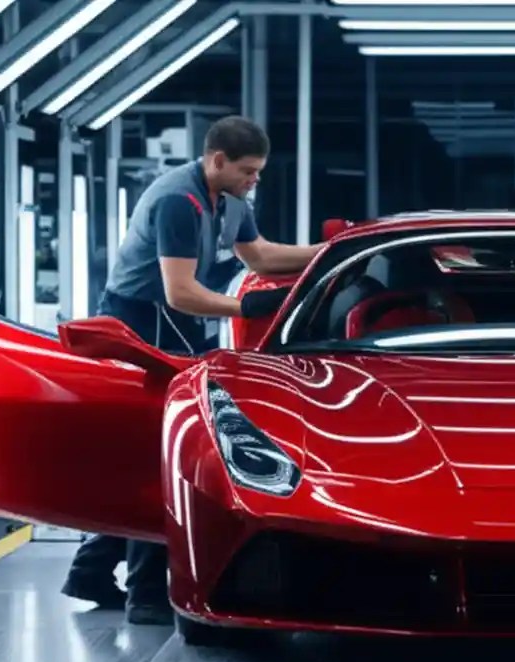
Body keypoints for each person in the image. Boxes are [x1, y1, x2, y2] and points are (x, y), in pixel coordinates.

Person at [60, 116, 323, 624]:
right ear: (217, 160)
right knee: (159, 453)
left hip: (175, 323)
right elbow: (180, 291)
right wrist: (248, 310)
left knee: (150, 450)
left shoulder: (231, 200)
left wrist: (326, 253)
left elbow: (263, 256)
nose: (255, 180)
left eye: (260, 172)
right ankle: (144, 596)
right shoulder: (178, 202)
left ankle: (89, 573)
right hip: (139, 326)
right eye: (248, 170)